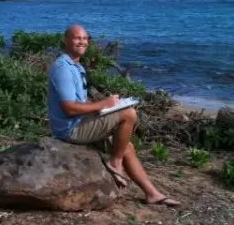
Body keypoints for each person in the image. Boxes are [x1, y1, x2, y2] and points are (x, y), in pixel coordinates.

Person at [47, 24, 180, 206]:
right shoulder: (62, 67)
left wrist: (109, 106)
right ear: (66, 40)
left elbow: (81, 102)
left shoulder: (77, 67)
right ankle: (115, 162)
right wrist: (103, 105)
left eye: (85, 39)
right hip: (70, 129)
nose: (82, 42)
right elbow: (69, 108)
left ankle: (152, 193)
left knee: (126, 145)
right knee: (129, 114)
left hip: (80, 122)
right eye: (77, 38)